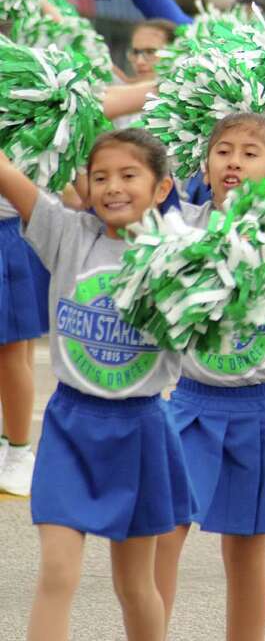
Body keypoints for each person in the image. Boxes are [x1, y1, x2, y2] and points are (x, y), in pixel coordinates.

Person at [0, 129, 195, 641]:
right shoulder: (67, 233)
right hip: (72, 425)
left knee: (135, 585)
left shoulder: (184, 256)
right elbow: (9, 176)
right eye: (100, 176)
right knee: (57, 573)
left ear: (161, 188)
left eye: (129, 176)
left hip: (142, 428)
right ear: (83, 184)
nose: (112, 187)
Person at [150, 113, 265, 641]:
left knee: (245, 549)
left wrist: (252, 219)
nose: (234, 160)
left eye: (250, 153)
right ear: (205, 166)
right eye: (223, 151)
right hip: (191, 400)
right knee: (163, 531)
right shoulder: (181, 223)